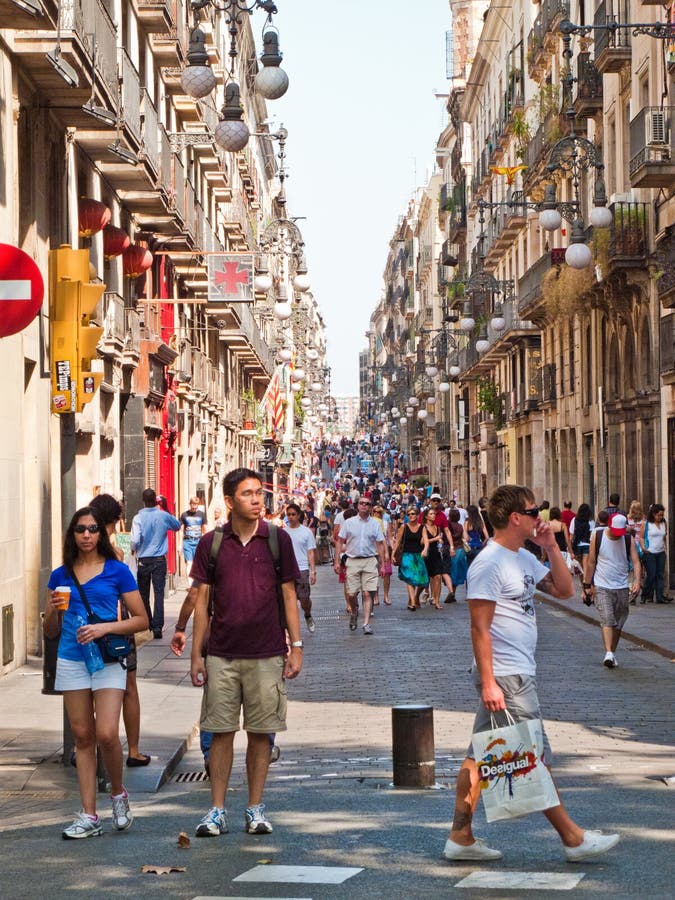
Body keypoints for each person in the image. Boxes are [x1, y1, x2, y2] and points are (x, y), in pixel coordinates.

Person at [443, 484, 620, 864]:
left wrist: (552, 547)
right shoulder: (489, 563)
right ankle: (573, 838)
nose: (540, 515)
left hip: (517, 671)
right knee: (531, 757)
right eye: (533, 510)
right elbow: (479, 628)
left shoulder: (522, 557)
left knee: (478, 758)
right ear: (515, 518)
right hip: (507, 677)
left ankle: (460, 836)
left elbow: (565, 590)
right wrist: (489, 682)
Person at [189, 468, 303, 837]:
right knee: (220, 732)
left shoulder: (277, 540)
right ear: (228, 501)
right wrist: (196, 656)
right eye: (247, 494)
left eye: (259, 493)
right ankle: (217, 809)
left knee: (261, 733)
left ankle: (255, 808)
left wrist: (296, 647)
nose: (257, 500)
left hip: (267, 653)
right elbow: (202, 600)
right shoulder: (211, 543)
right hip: (221, 654)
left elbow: (289, 594)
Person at [43, 507, 147, 839]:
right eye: (80, 529)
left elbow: (142, 620)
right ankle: (89, 815)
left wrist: (105, 629)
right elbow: (49, 631)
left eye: (92, 529)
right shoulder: (60, 575)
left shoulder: (117, 571)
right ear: (71, 535)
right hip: (72, 659)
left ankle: (118, 794)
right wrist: (50, 612)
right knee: (82, 737)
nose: (87, 535)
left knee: (105, 734)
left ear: (100, 534)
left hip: (106, 659)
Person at [89, 494, 150, 767]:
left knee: (91, 688)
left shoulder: (81, 548)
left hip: (88, 625)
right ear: (112, 521)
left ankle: (90, 749)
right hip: (115, 625)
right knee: (129, 687)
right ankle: (133, 750)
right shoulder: (114, 554)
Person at [583, 513, 641, 668]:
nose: (617, 535)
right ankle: (608, 652)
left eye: (620, 532)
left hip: (621, 586)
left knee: (618, 623)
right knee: (608, 618)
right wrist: (586, 585)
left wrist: (637, 581)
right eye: (615, 531)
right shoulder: (598, 535)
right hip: (602, 585)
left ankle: (612, 653)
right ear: (609, 526)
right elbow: (591, 561)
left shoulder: (627, 539)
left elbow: (635, 562)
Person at [130, 488, 181, 639]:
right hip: (159, 560)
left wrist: (135, 549)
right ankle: (158, 627)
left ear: (143, 500)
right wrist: (166, 507)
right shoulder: (164, 515)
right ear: (156, 501)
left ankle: (149, 623)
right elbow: (177, 526)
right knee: (159, 594)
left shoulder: (138, 518)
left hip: (144, 560)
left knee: (144, 594)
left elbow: (134, 541)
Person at [334, 496, 386, 634]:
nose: (364, 506)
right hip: (352, 560)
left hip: (369, 560)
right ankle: (354, 611)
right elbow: (339, 541)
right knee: (351, 594)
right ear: (358, 506)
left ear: (371, 507)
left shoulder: (375, 524)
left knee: (368, 593)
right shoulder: (349, 523)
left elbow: (380, 544)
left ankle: (366, 623)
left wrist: (382, 564)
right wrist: (337, 561)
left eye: (367, 504)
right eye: (362, 503)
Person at [285, 502, 318, 633]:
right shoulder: (283, 532)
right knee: (289, 600)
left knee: (304, 599)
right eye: (288, 515)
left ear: (299, 515)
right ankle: (292, 629)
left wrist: (313, 571)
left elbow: (311, 552)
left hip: (302, 569)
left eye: (293, 514)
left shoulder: (306, 532)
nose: (291, 517)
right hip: (287, 570)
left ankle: (308, 614)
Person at [392, 509, 428, 610]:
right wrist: (392, 554)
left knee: (422, 580)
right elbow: (398, 541)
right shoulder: (404, 527)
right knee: (409, 578)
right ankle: (412, 603)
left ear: (417, 515)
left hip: (418, 556)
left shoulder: (422, 527)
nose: (411, 516)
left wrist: (425, 549)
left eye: (413, 514)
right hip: (406, 556)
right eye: (409, 514)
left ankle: (414, 598)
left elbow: (426, 541)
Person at [639, 503, 670, 604]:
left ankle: (660, 597)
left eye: (662, 515)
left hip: (661, 553)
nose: (661, 517)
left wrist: (665, 548)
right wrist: (643, 548)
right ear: (653, 514)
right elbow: (641, 537)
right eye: (659, 515)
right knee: (651, 575)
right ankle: (644, 595)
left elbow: (664, 537)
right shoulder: (646, 523)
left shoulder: (663, 523)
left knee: (660, 575)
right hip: (650, 553)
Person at [421, 508, 445, 609]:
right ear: (426, 516)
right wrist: (436, 539)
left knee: (438, 577)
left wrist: (440, 542)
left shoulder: (437, 527)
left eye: (434, 514)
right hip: (427, 553)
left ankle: (437, 600)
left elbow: (440, 539)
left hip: (436, 553)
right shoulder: (423, 528)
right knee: (426, 579)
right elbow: (422, 542)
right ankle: (421, 595)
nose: (433, 515)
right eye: (431, 514)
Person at [180, 496, 207, 574]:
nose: (195, 507)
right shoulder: (184, 514)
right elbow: (181, 530)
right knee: (189, 563)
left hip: (198, 541)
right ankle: (190, 584)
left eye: (196, 505)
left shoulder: (201, 514)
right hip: (187, 541)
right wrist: (179, 544)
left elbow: (204, 529)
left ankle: (195, 583)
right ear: (190, 504)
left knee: (197, 563)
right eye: (193, 505)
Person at [570, 503, 595, 574]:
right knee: (585, 565)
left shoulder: (574, 520)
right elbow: (592, 536)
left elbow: (571, 535)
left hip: (577, 545)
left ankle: (583, 582)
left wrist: (570, 548)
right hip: (587, 544)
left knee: (580, 566)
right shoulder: (591, 521)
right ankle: (585, 582)